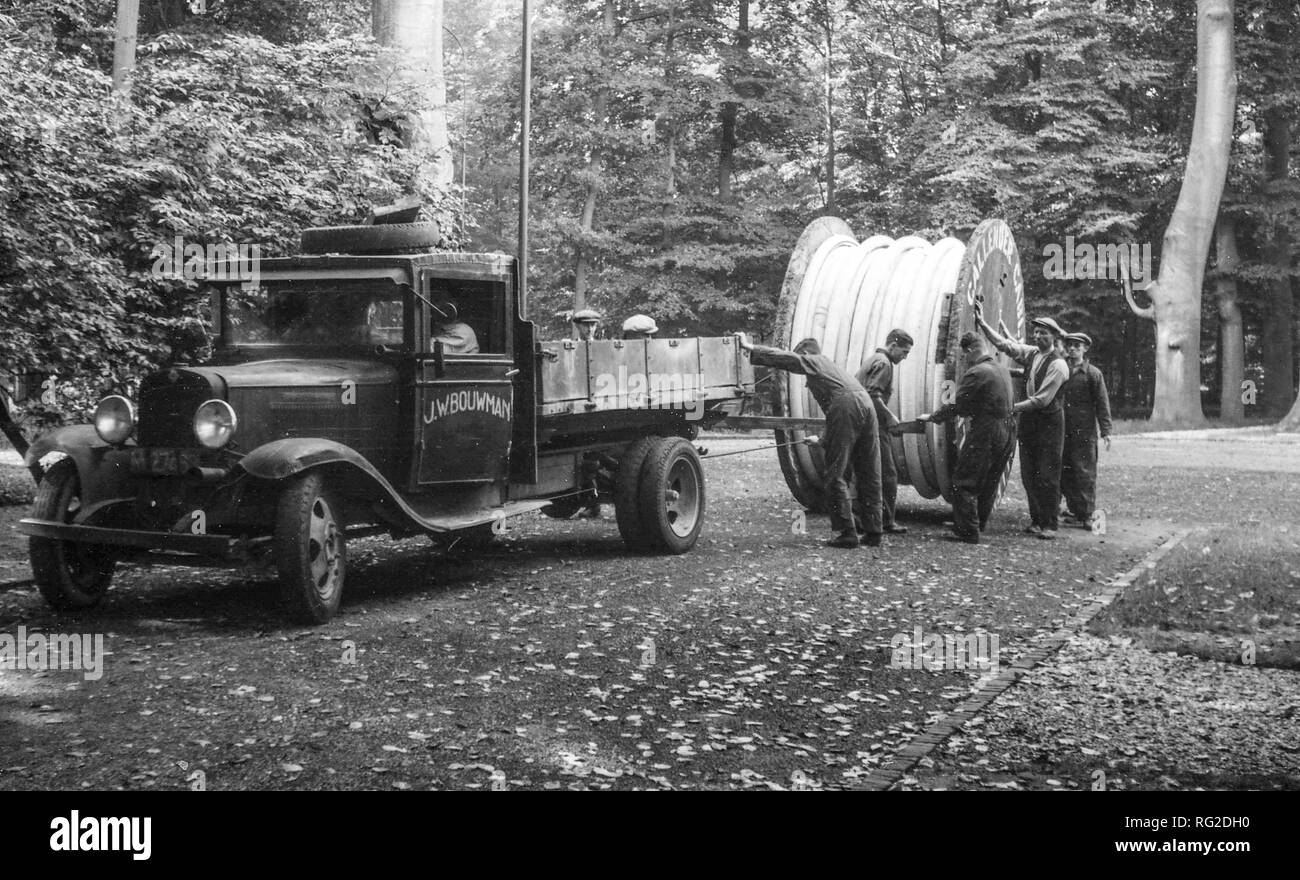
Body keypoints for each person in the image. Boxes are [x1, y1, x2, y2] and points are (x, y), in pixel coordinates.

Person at [736, 332, 883, 548]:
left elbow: (789, 360)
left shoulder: (817, 360)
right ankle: (874, 532)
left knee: (835, 474)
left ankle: (846, 533)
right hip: (865, 404)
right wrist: (822, 440)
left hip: (848, 406)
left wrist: (750, 348)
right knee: (869, 470)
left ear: (806, 353)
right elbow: (841, 419)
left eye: (801, 358)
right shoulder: (834, 372)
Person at [976, 308, 1068, 539]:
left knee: (1047, 474)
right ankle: (1037, 521)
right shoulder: (1034, 354)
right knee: (1029, 474)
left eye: (1044, 333)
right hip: (1030, 422)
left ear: (1054, 337)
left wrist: (1011, 408)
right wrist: (983, 323)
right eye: (1036, 332)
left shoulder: (1058, 365)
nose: (1038, 337)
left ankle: (1050, 524)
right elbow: (1007, 345)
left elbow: (1042, 400)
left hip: (1049, 422)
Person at [917, 331, 1016, 544]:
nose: (965, 360)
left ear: (971, 350)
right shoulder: (1003, 370)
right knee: (989, 481)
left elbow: (958, 404)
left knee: (964, 480)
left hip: (987, 430)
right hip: (1008, 430)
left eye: (965, 355)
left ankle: (967, 531)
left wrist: (934, 417)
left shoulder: (977, 372)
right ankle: (977, 523)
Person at [856, 328, 914, 534]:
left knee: (866, 473)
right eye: (904, 352)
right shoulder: (885, 363)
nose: (905, 357)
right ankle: (886, 521)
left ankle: (864, 520)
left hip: (863, 423)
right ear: (893, 346)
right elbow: (873, 394)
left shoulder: (874, 359)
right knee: (888, 474)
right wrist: (889, 416)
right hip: (873, 426)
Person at [1060, 332, 1112, 527]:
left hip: (1084, 432)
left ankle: (1088, 514)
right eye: (1069, 345)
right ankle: (1076, 511)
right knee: (1065, 471)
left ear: (1085, 349)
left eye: (1076, 346)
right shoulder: (1060, 368)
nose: (1072, 349)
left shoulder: (1093, 374)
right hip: (1061, 430)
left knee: (1085, 473)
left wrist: (1106, 431)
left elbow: (1102, 404)